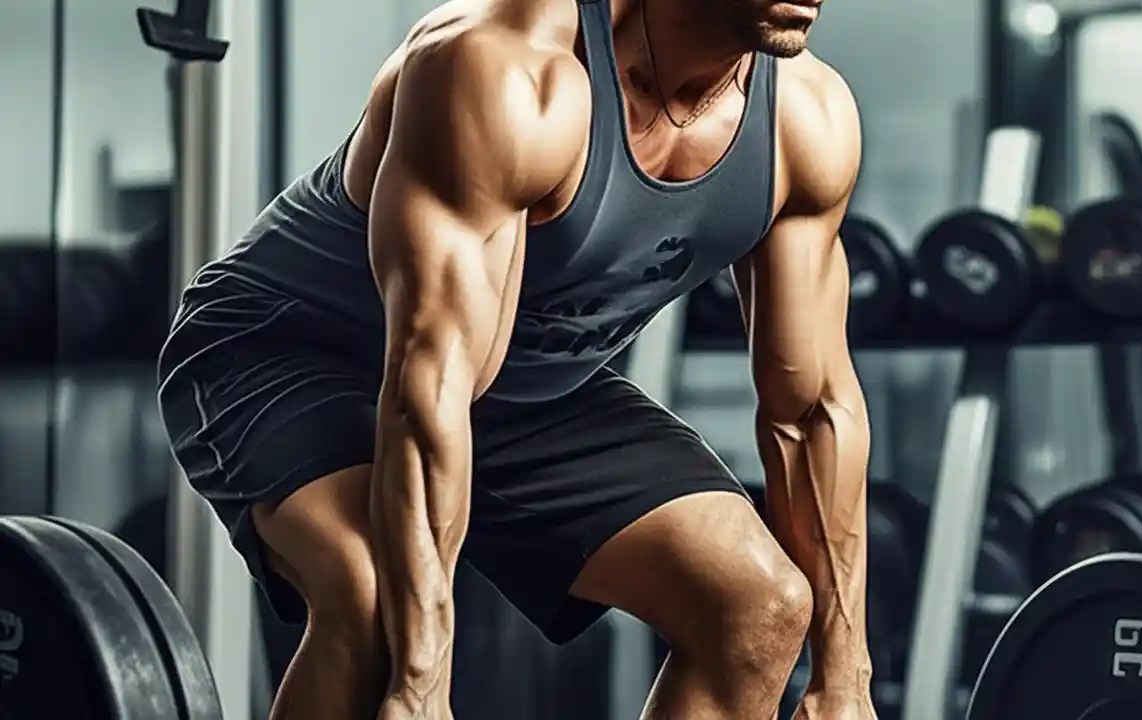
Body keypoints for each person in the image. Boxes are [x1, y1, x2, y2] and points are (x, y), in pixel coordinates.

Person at [156, 0, 871, 717]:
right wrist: (420, 686)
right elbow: (428, 384)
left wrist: (844, 679)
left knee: (755, 605)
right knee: (374, 597)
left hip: (521, 383)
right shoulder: (504, 67)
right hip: (289, 349)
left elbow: (810, 411)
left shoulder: (807, 120)